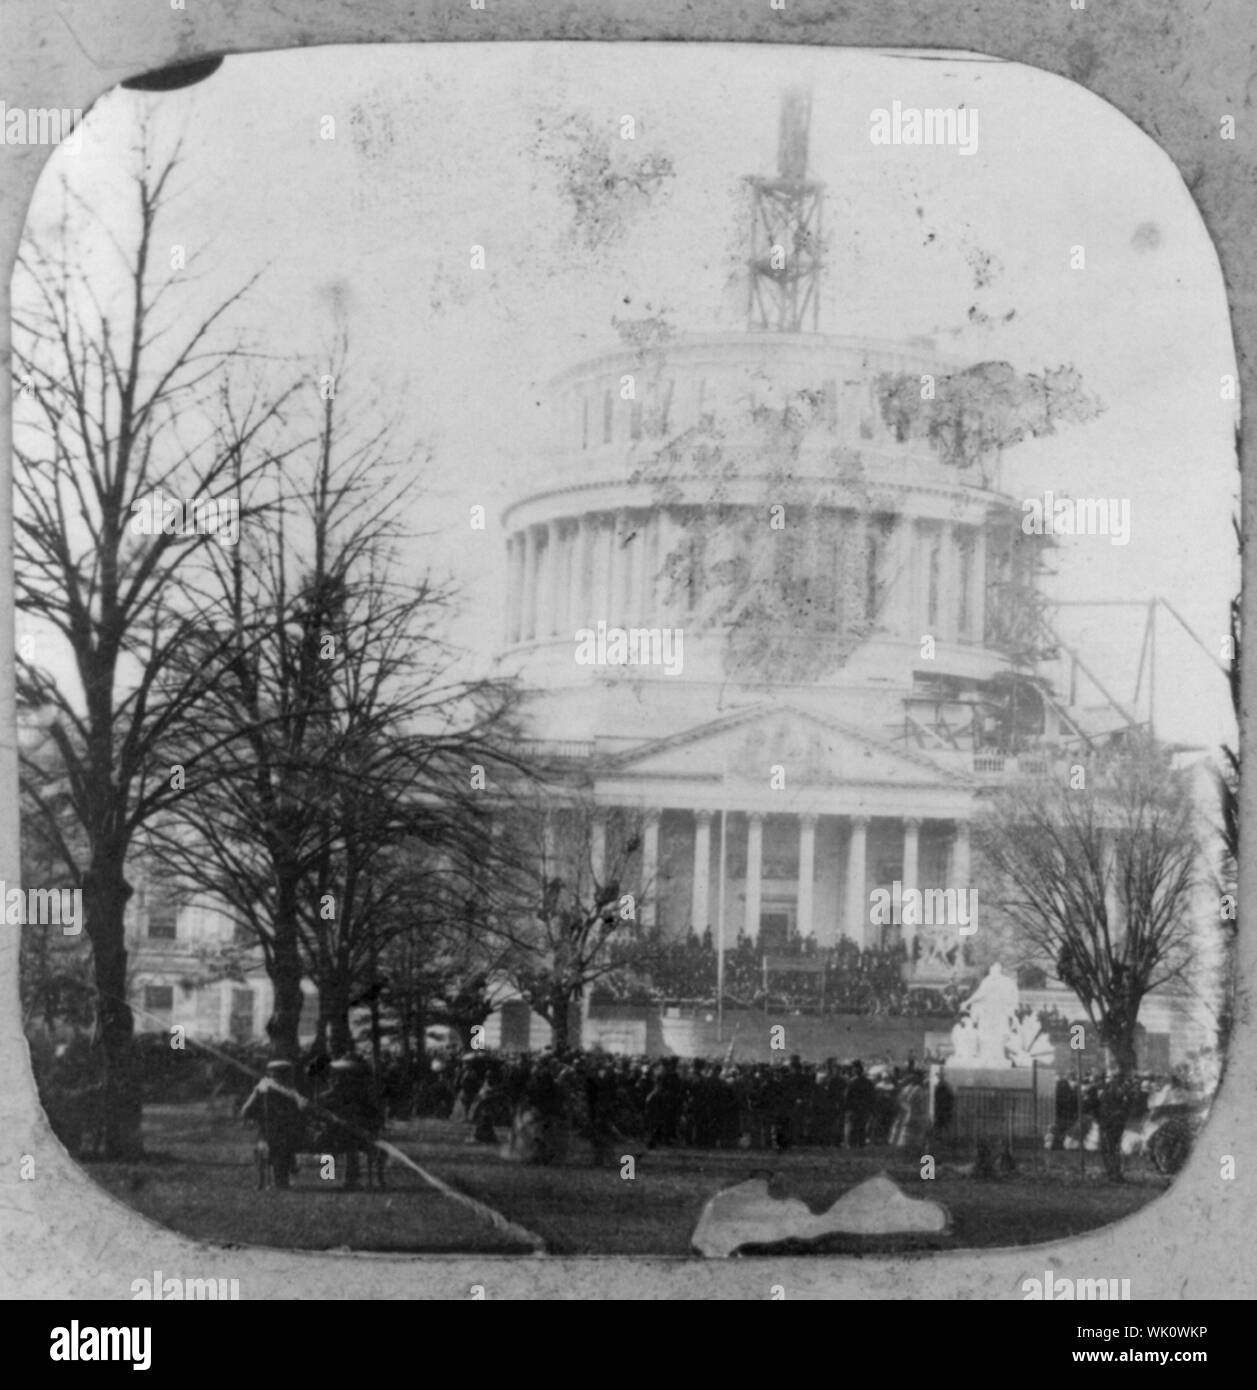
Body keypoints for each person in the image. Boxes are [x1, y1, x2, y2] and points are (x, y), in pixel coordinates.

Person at [241, 1060, 308, 1190]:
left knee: (273, 1146)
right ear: (288, 1075)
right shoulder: (292, 1092)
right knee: (285, 1147)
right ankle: (285, 1175)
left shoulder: (261, 1088)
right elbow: (302, 1112)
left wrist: (257, 1116)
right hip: (286, 1134)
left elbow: (245, 1110)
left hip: (266, 1133)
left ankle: (273, 1179)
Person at [319, 1053, 381, 1190]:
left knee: (343, 1145)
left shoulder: (332, 1095)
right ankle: (333, 1175)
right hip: (338, 1134)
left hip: (346, 1135)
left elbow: (373, 1116)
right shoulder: (357, 1094)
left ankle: (332, 1175)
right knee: (341, 1146)